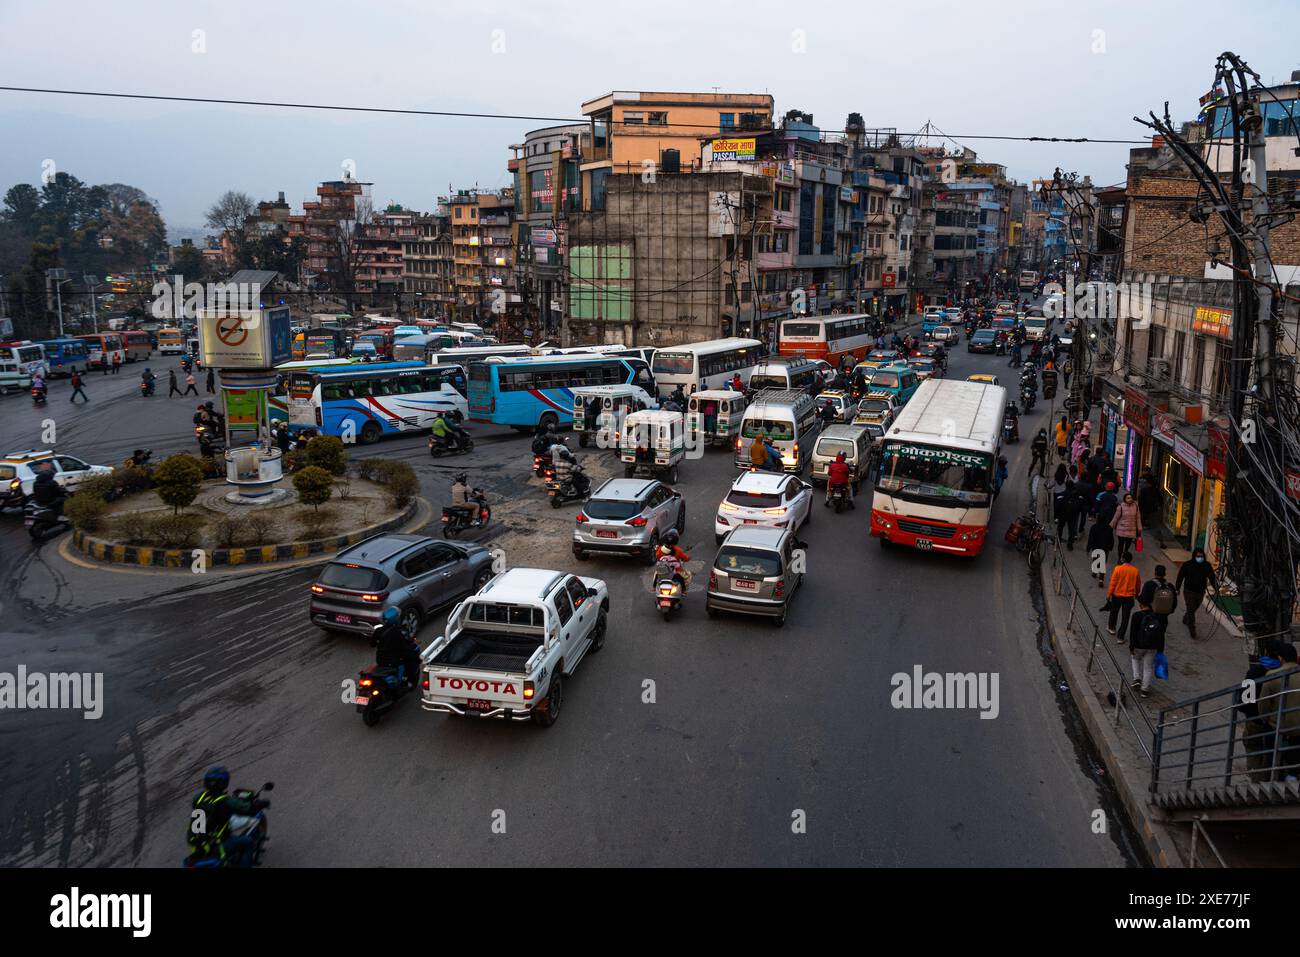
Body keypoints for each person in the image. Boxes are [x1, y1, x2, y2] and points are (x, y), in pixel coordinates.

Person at [1257, 643, 1300, 779]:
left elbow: (1263, 705)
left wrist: (1266, 719)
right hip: (1298, 729)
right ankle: (1291, 779)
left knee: (1272, 759)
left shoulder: (1272, 676)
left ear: (1281, 658)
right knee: (1294, 762)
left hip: (1276, 727)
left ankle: (1270, 781)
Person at [1174, 547, 1219, 639]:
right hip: (1189, 591)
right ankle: (1192, 628)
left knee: (1194, 608)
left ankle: (1186, 618)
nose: (1200, 558)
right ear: (1194, 556)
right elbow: (1180, 576)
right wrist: (1177, 588)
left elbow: (1212, 578)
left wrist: (1216, 588)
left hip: (1200, 591)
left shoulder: (1207, 566)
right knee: (1191, 608)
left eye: (1201, 556)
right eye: (1198, 556)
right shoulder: (1187, 565)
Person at [374, 606, 421, 688]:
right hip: (393, 661)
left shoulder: (378, 630)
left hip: (380, 660)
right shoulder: (397, 633)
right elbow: (404, 648)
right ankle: (408, 682)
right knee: (413, 659)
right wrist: (413, 646)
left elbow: (372, 644)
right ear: (395, 619)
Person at [1127, 597, 1166, 698]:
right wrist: (1160, 650)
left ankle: (1136, 678)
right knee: (1148, 667)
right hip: (1152, 646)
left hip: (1139, 645)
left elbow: (1133, 632)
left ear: (1141, 605)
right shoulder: (1158, 617)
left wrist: (1131, 646)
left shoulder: (1136, 616)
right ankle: (1145, 689)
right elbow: (1161, 635)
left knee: (1135, 659)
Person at [1106, 551, 1141, 643]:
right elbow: (1138, 585)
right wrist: (1136, 594)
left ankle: (1112, 628)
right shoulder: (1135, 571)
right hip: (1129, 597)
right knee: (1125, 617)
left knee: (1114, 612)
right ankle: (1120, 637)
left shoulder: (1118, 569)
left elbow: (1113, 583)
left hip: (1117, 595)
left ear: (1123, 559)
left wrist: (1109, 594)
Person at [1139, 564, 1179, 628]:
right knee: (1161, 631)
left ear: (1155, 573)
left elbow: (1143, 599)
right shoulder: (1170, 586)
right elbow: (1174, 602)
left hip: (1151, 614)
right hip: (1164, 615)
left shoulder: (1149, 584)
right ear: (1164, 574)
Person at [654, 528, 692, 593]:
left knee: (656, 574)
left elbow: (657, 557)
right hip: (676, 572)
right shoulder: (679, 550)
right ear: (676, 540)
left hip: (663, 571)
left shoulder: (660, 549)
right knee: (688, 576)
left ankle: (654, 587)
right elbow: (685, 558)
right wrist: (689, 557)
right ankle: (684, 591)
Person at [1110, 491, 1142, 557]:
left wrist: (1139, 528)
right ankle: (1119, 558)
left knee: (1128, 545)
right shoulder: (1121, 507)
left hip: (1131, 530)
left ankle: (1124, 555)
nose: (1130, 499)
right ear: (1125, 499)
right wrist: (1111, 526)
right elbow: (1116, 517)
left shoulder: (1136, 506)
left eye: (1131, 498)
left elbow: (1138, 518)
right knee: (1121, 544)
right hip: (1121, 529)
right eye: (1128, 498)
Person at [1087, 511, 1115, 587]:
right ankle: (1101, 579)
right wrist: (1111, 546)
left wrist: (1088, 547)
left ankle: (1095, 572)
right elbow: (1111, 539)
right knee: (1102, 563)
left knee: (1095, 559)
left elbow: (1091, 538)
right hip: (1105, 548)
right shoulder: (1109, 528)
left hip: (1096, 547)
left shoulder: (1094, 527)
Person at [1136, 470, 1163, 546]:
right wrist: (1159, 506)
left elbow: (1140, 501)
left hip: (1144, 510)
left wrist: (1139, 509)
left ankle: (1137, 538)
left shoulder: (1144, 490)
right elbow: (1160, 499)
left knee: (1139, 525)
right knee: (1155, 526)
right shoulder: (1156, 490)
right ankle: (1161, 541)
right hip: (1153, 510)